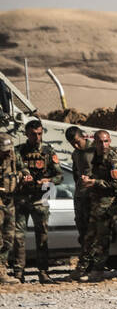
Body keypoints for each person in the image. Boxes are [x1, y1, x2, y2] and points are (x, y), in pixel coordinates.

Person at [10, 120, 61, 284]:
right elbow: (9, 172)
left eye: (39, 134)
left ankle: (43, 272)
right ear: (26, 134)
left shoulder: (48, 152)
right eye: (33, 134)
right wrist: (20, 178)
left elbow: (59, 176)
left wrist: (47, 180)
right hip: (21, 199)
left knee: (42, 237)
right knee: (18, 238)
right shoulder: (18, 152)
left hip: (40, 200)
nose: (37, 137)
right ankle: (18, 273)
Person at [77, 129, 117, 282]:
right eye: (100, 142)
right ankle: (81, 269)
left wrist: (94, 183)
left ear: (109, 142)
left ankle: (98, 271)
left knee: (102, 239)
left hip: (108, 204)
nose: (103, 145)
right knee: (89, 237)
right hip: (96, 203)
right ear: (95, 142)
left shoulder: (114, 159)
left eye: (106, 141)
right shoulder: (95, 157)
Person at [66, 126, 96, 272]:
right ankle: (87, 264)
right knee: (83, 231)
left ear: (83, 136)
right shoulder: (75, 154)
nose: (76, 146)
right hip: (81, 196)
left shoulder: (95, 150)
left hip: (94, 195)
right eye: (72, 143)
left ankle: (95, 264)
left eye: (77, 142)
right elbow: (75, 173)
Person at [0, 135, 25, 285]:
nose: (7, 153)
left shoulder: (14, 157)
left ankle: (2, 267)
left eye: (9, 150)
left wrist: (24, 176)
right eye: (3, 151)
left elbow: (22, 169)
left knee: (9, 238)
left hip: (9, 201)